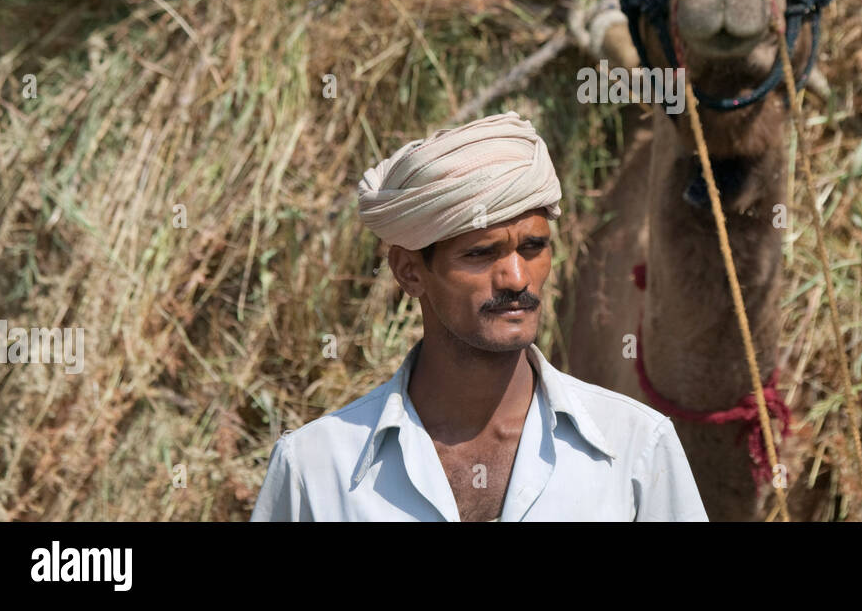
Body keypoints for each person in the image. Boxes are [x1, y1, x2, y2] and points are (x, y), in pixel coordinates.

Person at [250, 112, 707, 521]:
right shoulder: (315, 468)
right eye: (481, 253)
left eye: (533, 248)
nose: (515, 277)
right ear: (410, 271)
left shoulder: (633, 448)